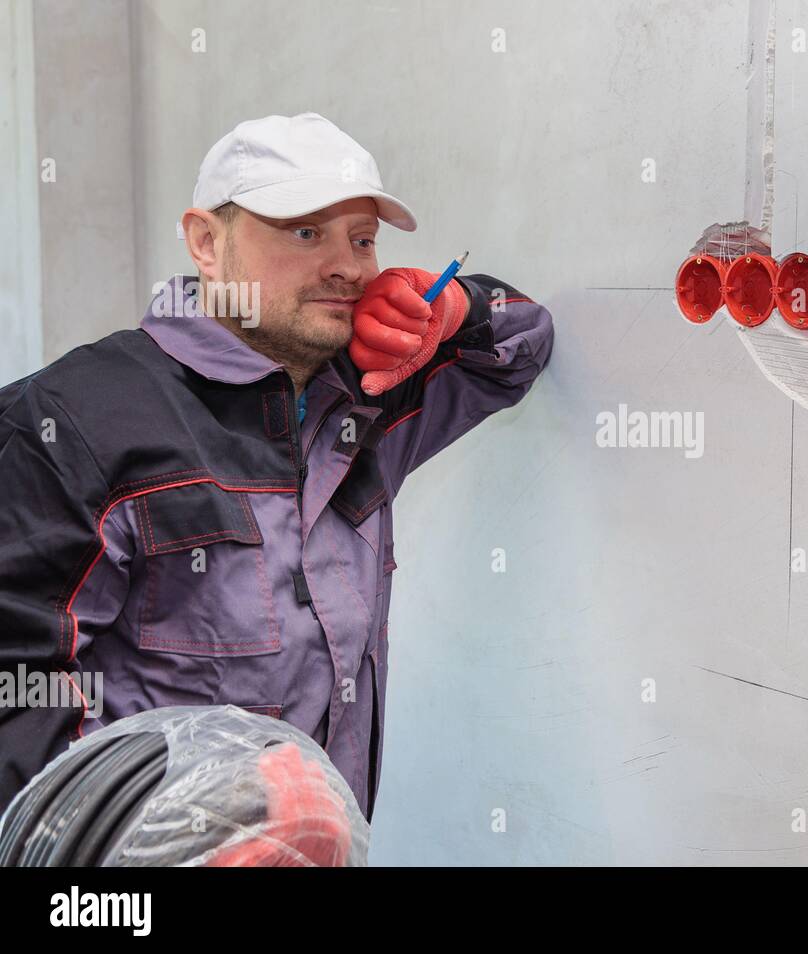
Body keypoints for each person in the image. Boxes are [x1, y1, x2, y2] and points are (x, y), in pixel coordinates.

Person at [0, 112, 555, 821]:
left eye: (362, 239)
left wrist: (454, 305)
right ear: (206, 241)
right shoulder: (71, 418)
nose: (348, 267)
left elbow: (521, 341)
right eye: (305, 232)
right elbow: (18, 688)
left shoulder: (363, 403)